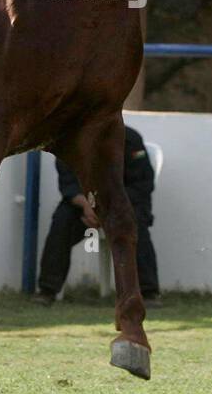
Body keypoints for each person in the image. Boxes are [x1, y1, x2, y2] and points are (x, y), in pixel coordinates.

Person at [34, 125, 159, 306]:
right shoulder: (69, 141)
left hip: (123, 203)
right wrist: (87, 204)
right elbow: (68, 184)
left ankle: (149, 293)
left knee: (136, 224)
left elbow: (142, 184)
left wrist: (107, 207)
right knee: (62, 221)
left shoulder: (129, 139)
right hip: (86, 205)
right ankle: (47, 290)